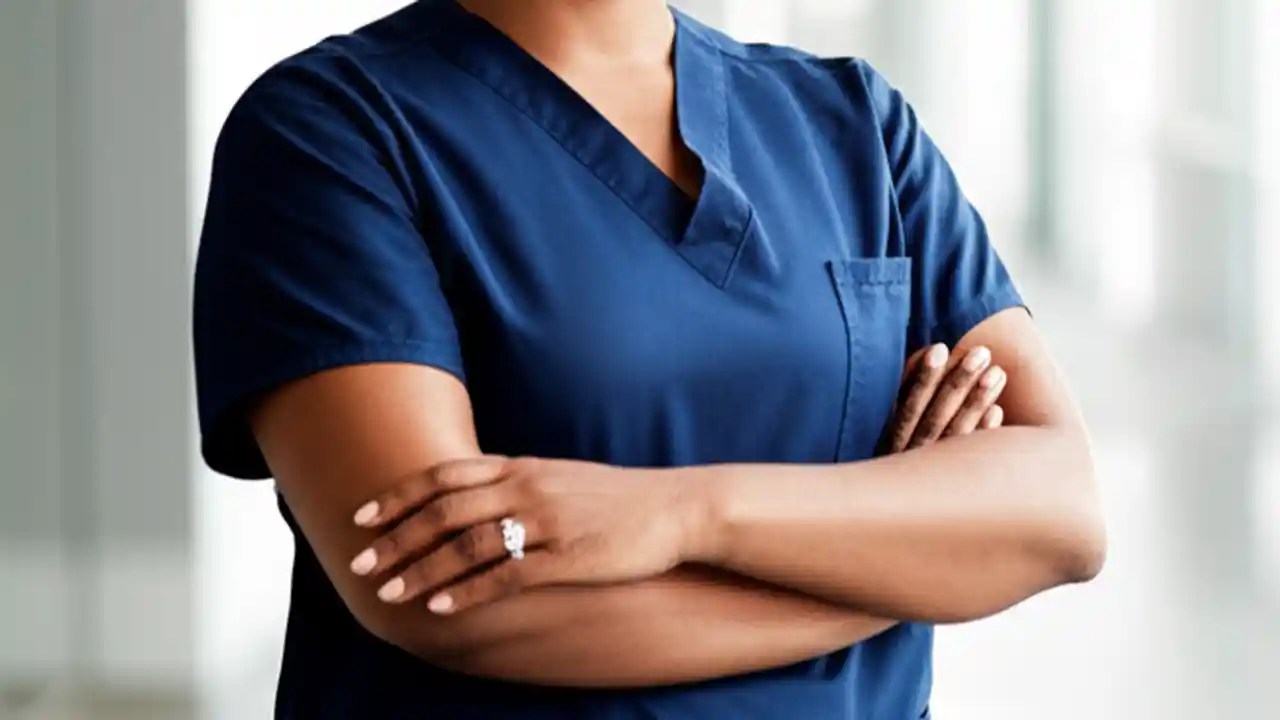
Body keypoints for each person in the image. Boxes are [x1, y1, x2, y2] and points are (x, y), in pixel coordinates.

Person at [192, 1, 1105, 718]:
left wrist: (683, 516)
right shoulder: (331, 133)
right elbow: (448, 591)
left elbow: (1060, 508)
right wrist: (904, 571)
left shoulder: (853, 124)